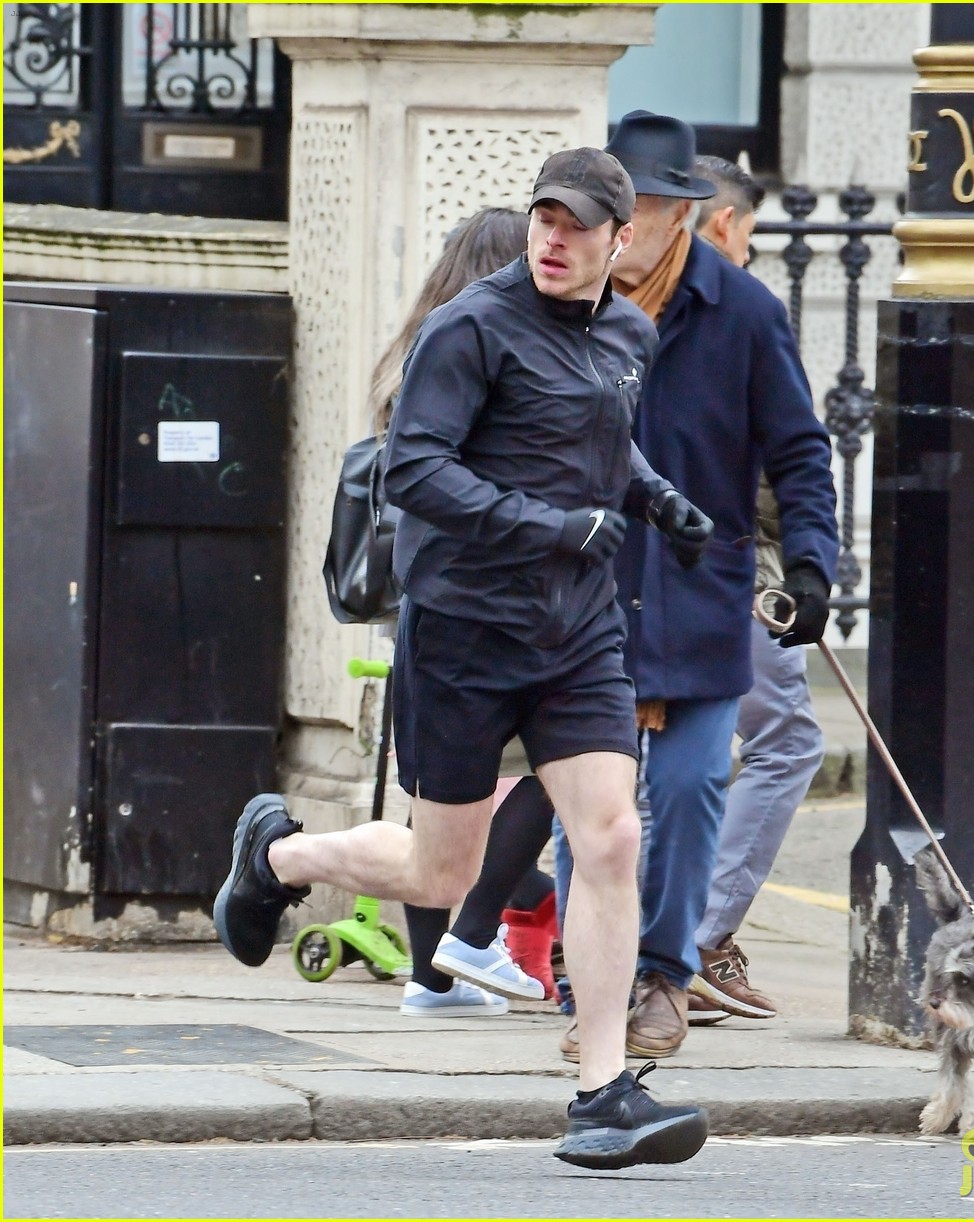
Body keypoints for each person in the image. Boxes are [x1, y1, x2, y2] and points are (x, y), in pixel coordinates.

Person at [212, 146, 713, 1168]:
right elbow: (414, 470)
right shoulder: (470, 328)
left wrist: (655, 496)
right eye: (544, 219)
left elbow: (601, 434)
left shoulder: (628, 331)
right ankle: (277, 857)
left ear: (621, 240)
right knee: (443, 871)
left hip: (577, 634)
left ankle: (602, 1094)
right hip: (464, 633)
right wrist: (551, 526)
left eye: (577, 226)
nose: (553, 239)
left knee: (611, 834)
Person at [554, 112, 839, 1062]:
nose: (620, 227)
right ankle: (592, 985)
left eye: (641, 208)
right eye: (611, 207)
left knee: (686, 790)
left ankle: (665, 977)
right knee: (590, 808)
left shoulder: (745, 312)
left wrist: (812, 564)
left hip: (698, 589)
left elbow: (798, 451)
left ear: (685, 214)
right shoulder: (554, 302)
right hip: (581, 587)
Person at [367, 206, 559, 1018]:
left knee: (437, 791)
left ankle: (431, 977)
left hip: (424, 595)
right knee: (565, 761)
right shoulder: (502, 354)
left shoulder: (411, 351)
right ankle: (476, 930)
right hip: (501, 596)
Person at [686, 155, 826, 1024]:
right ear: (726, 225)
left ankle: (633, 947)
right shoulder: (743, 314)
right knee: (786, 741)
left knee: (640, 760)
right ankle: (695, 935)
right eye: (749, 233)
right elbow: (785, 461)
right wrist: (798, 565)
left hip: (650, 572)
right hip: (727, 570)